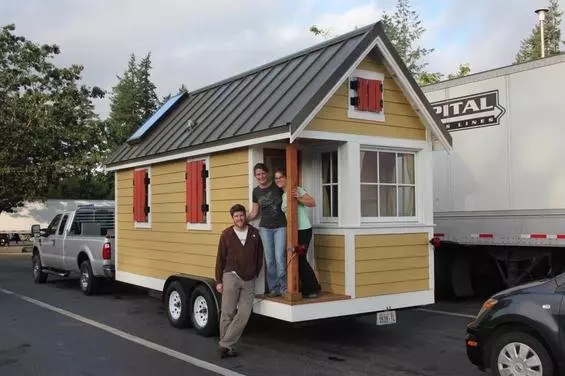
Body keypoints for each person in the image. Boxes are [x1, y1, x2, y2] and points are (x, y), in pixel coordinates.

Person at [215, 204, 264, 358]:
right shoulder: (226, 234)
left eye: (241, 215)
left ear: (245, 216)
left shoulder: (255, 234)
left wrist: (256, 272)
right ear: (233, 218)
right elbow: (220, 259)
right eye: (236, 216)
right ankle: (227, 348)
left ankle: (224, 343)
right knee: (227, 312)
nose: (239, 218)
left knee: (244, 313)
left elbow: (259, 256)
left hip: (249, 278)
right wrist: (219, 280)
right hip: (231, 276)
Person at [274, 169, 321, 298]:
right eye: (276, 178)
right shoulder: (283, 195)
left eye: (280, 177)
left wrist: (299, 198)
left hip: (304, 230)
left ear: (286, 178)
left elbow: (312, 202)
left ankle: (314, 288)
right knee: (297, 259)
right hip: (294, 231)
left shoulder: (296, 189)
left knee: (300, 258)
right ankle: (307, 288)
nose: (278, 180)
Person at [247, 163, 287, 297]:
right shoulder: (256, 191)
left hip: (280, 226)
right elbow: (254, 212)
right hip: (265, 228)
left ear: (267, 173)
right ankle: (274, 288)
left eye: (263, 173)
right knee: (270, 260)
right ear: (255, 176)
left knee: (280, 258)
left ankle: (284, 288)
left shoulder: (278, 187)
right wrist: (241, 220)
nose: (261, 176)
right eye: (258, 174)